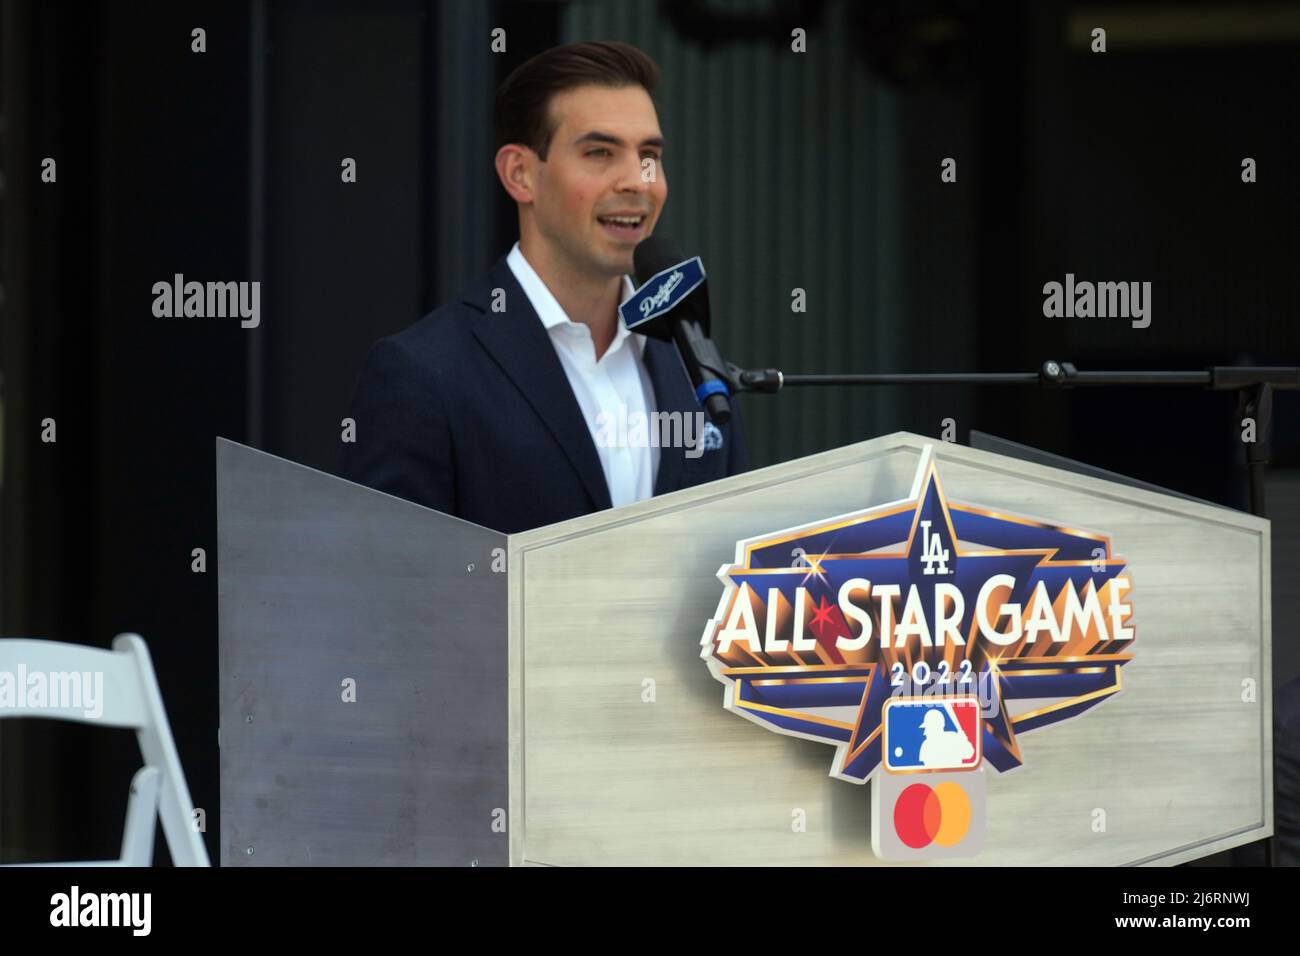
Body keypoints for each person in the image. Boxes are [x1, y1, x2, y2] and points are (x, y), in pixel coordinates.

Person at [339, 41, 748, 533]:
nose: (637, 182)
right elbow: (393, 593)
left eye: (649, 156)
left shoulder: (695, 367)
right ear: (520, 174)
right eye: (600, 152)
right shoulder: (423, 374)